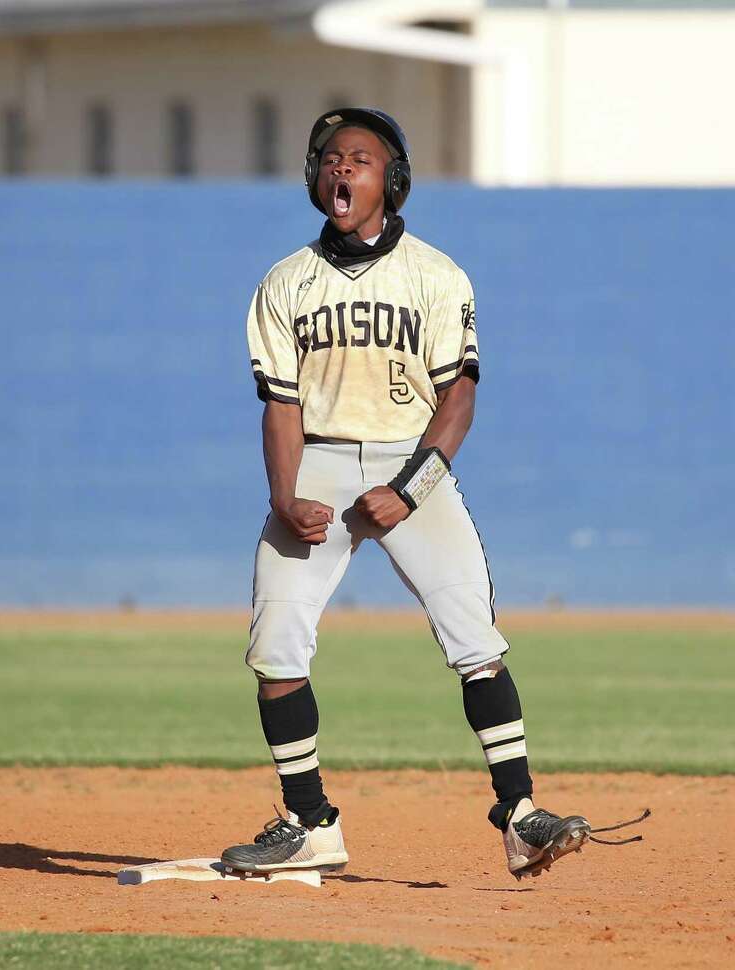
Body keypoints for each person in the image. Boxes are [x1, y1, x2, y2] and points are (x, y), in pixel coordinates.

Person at [220, 108, 590, 880]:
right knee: (275, 645)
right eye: (327, 159)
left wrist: (411, 487)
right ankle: (309, 824)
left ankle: (521, 818)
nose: (339, 169)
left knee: (476, 640)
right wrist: (285, 497)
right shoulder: (284, 283)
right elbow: (281, 405)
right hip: (317, 461)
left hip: (411, 460)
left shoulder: (436, 274)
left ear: (393, 178)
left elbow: (458, 396)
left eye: (358, 157)